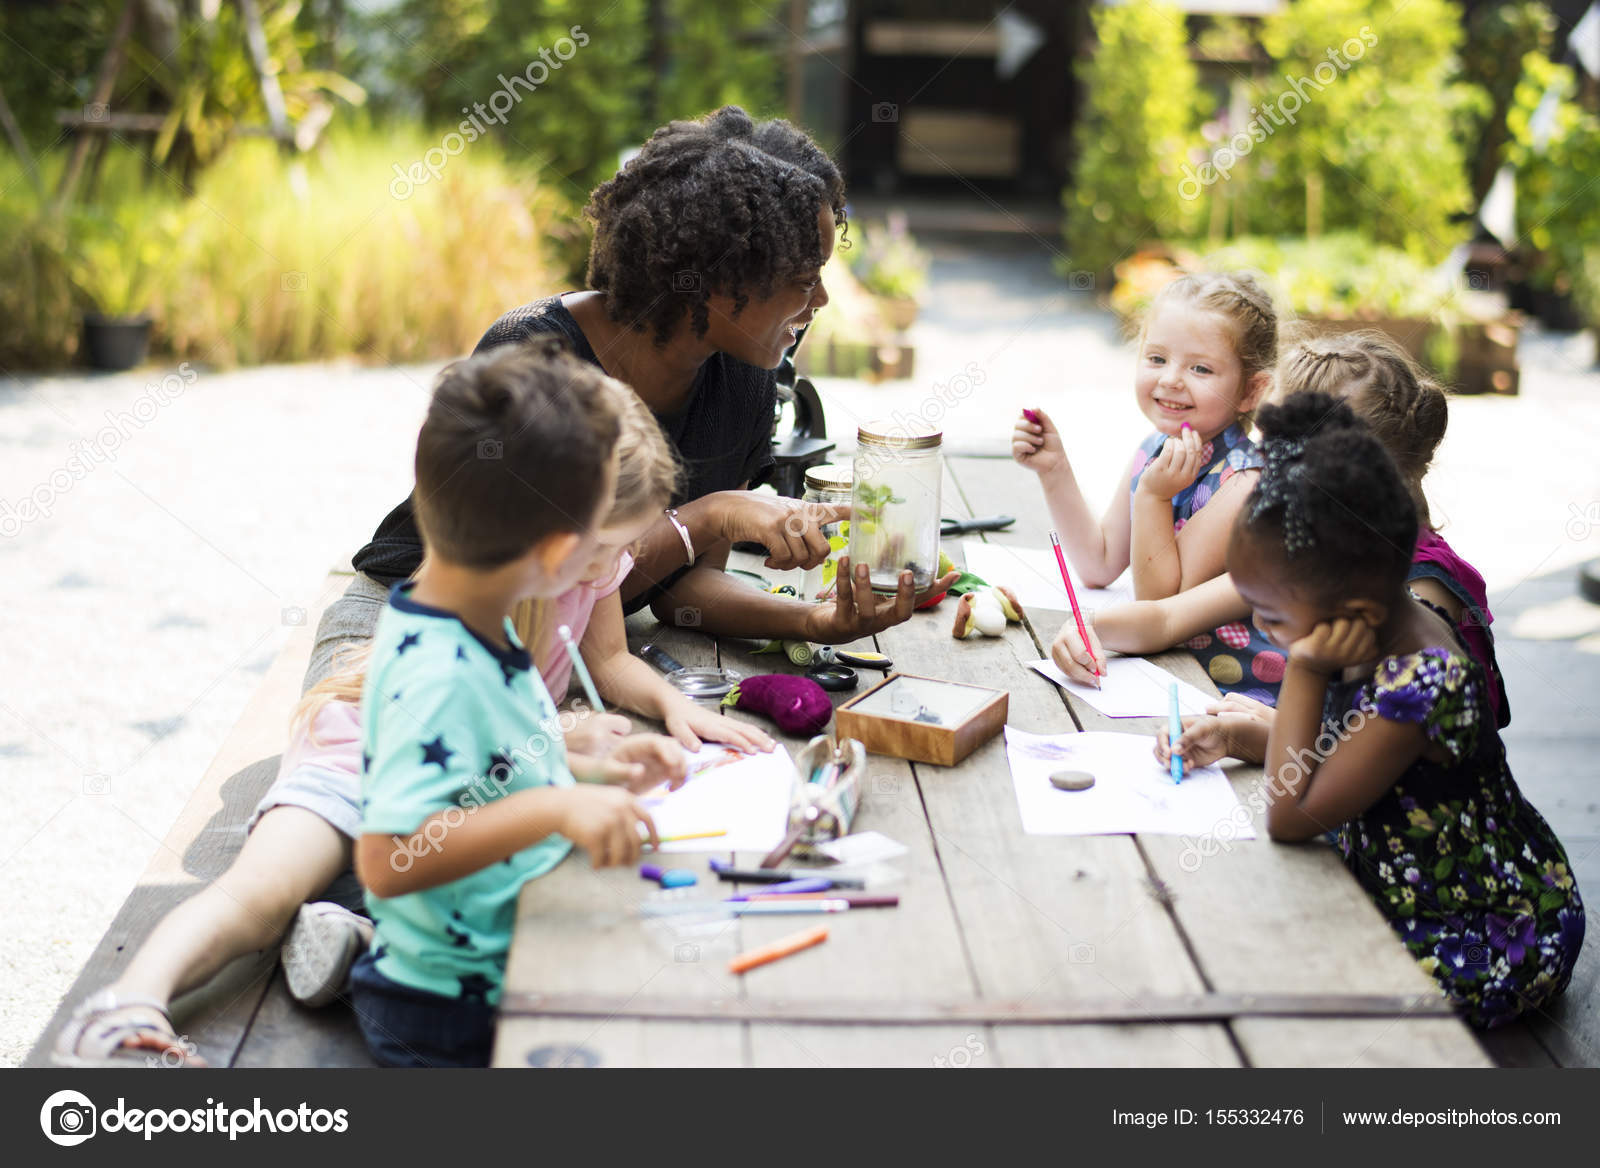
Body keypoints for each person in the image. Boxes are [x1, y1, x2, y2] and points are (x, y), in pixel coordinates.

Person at [52, 342, 687, 1066]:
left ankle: (363, 950)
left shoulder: (478, 625)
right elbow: (388, 860)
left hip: (480, 962)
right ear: (552, 554)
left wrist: (593, 774)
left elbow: (495, 768)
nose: (610, 564)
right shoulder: (443, 668)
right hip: (447, 1014)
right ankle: (151, 1005)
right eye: (599, 534)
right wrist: (556, 810)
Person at [321, 105, 955, 692]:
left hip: (571, 657)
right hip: (405, 631)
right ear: (717, 281)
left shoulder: (742, 377)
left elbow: (681, 590)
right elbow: (530, 584)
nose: (820, 301)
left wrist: (815, 622)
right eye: (801, 279)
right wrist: (711, 514)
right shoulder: (539, 359)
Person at [1156, 394, 1582, 1027]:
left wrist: (1304, 667)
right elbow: (1337, 754)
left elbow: (1290, 815)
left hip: (1481, 931)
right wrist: (1249, 737)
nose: (1266, 631)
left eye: (1273, 617)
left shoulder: (1420, 685)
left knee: (1251, 967)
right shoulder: (1378, 622)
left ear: (1345, 607)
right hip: (1405, 879)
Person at [1051, 330, 1509, 724]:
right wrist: (1092, 629)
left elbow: (1384, 746)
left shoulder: (1423, 591)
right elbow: (1170, 616)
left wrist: (1269, 734)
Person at [1013, 272, 1284, 700]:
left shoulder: (1245, 483)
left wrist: (1153, 497)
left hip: (1231, 696)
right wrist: (1055, 470)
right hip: (1169, 675)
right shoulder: (1155, 448)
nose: (1171, 379)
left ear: (1251, 391)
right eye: (1156, 358)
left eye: (1200, 368)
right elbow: (1099, 563)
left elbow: (1158, 604)